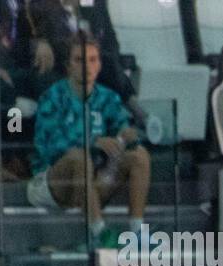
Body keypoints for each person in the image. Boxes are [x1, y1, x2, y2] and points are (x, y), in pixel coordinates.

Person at [29, 36, 149, 248]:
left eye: (93, 60)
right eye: (79, 60)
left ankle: (137, 232)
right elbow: (48, 148)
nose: (87, 66)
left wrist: (127, 137)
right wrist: (92, 142)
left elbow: (121, 129)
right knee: (79, 158)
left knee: (139, 156)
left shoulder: (109, 98)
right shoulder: (52, 97)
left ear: (100, 64)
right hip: (53, 183)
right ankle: (99, 233)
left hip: (94, 179)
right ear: (68, 66)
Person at [14, 0, 134, 102]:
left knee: (108, 64)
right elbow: (25, 39)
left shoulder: (94, 3)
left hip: (95, 64)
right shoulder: (38, 5)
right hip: (60, 65)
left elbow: (110, 39)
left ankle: (134, 111)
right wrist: (40, 42)